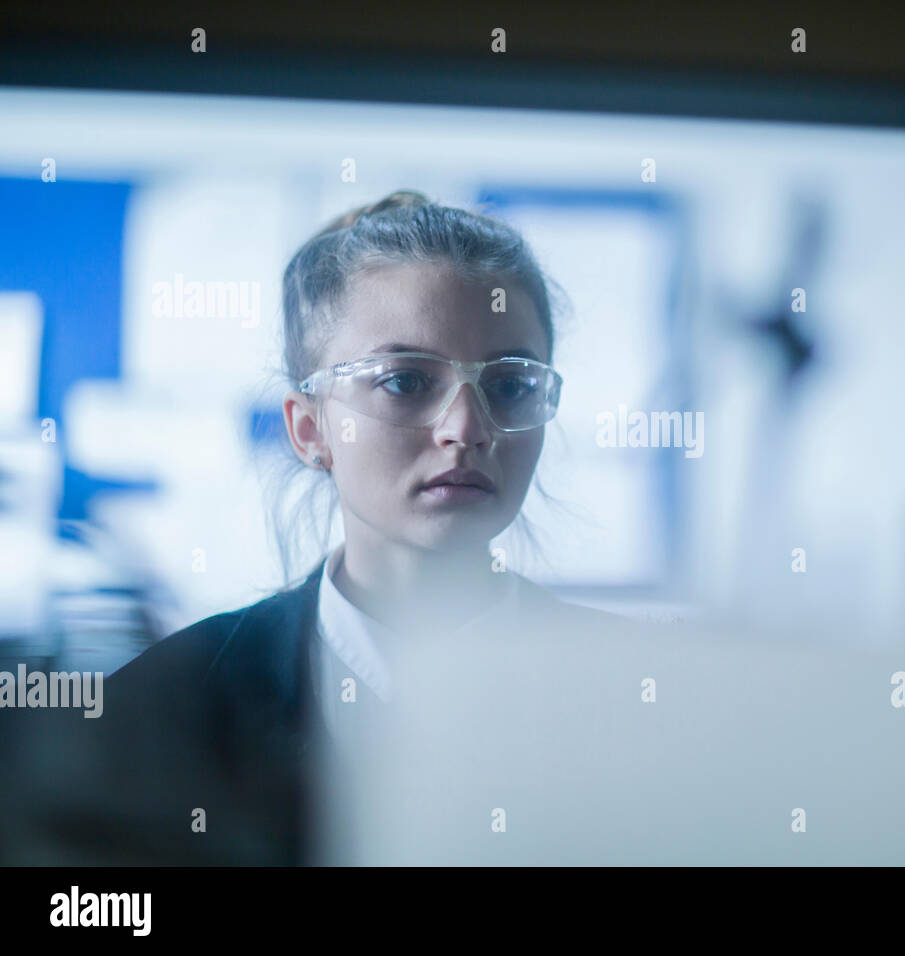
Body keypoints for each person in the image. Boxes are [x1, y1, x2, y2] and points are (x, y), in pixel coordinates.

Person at [34, 191, 631, 864]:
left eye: (511, 386)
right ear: (310, 428)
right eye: (404, 382)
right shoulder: (161, 705)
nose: (466, 429)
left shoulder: (638, 699)